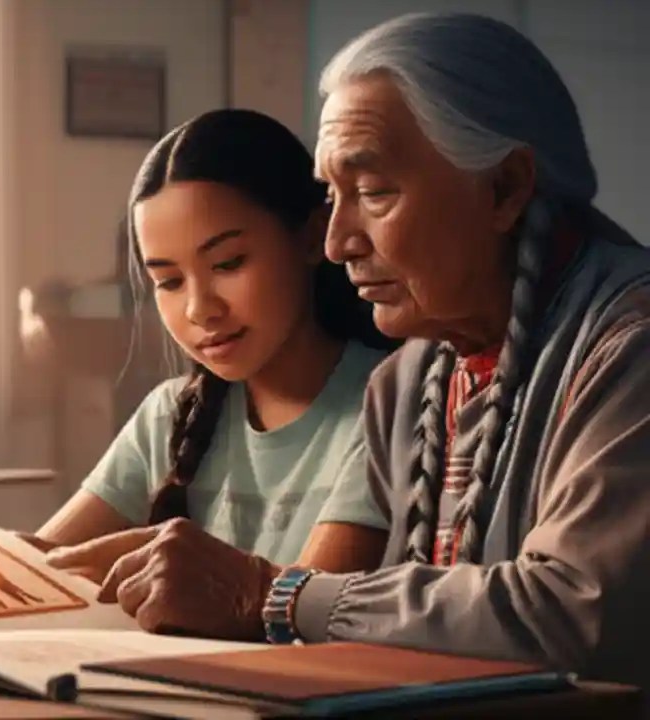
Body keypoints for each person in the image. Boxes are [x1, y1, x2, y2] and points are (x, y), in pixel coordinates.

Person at [46, 11, 650, 702]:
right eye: (333, 196)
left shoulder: (630, 345)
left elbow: (574, 611)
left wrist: (270, 594)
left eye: (373, 192)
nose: (336, 242)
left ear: (506, 188)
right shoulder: (408, 384)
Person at [25, 109, 398, 582]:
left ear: (311, 236)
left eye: (228, 263)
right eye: (169, 281)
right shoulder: (169, 415)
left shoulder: (388, 404)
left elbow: (301, 611)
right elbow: (35, 571)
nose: (199, 309)